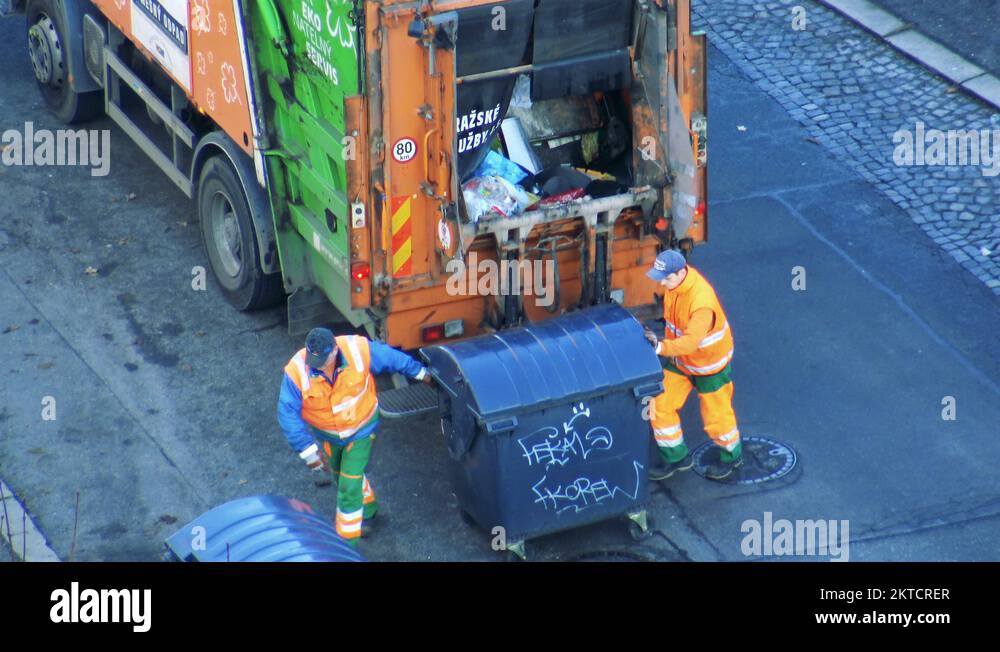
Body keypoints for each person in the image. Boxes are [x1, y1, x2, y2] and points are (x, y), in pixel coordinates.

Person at [278, 328, 431, 545]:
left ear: (334, 351)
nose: (316, 365)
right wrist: (308, 451)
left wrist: (422, 374)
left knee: (349, 484)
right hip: (330, 436)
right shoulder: (297, 370)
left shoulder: (357, 350)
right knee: (341, 475)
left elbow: (392, 359)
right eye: (313, 359)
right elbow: (287, 412)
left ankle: (346, 543)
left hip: (361, 430)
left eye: (322, 360)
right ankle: (368, 510)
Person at [644, 250, 743, 480]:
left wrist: (660, 347)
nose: (662, 282)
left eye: (666, 278)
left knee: (717, 418)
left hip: (710, 366)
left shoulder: (701, 303)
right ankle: (676, 457)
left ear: (680, 273)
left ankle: (732, 457)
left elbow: (690, 342)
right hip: (683, 361)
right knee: (659, 404)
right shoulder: (675, 287)